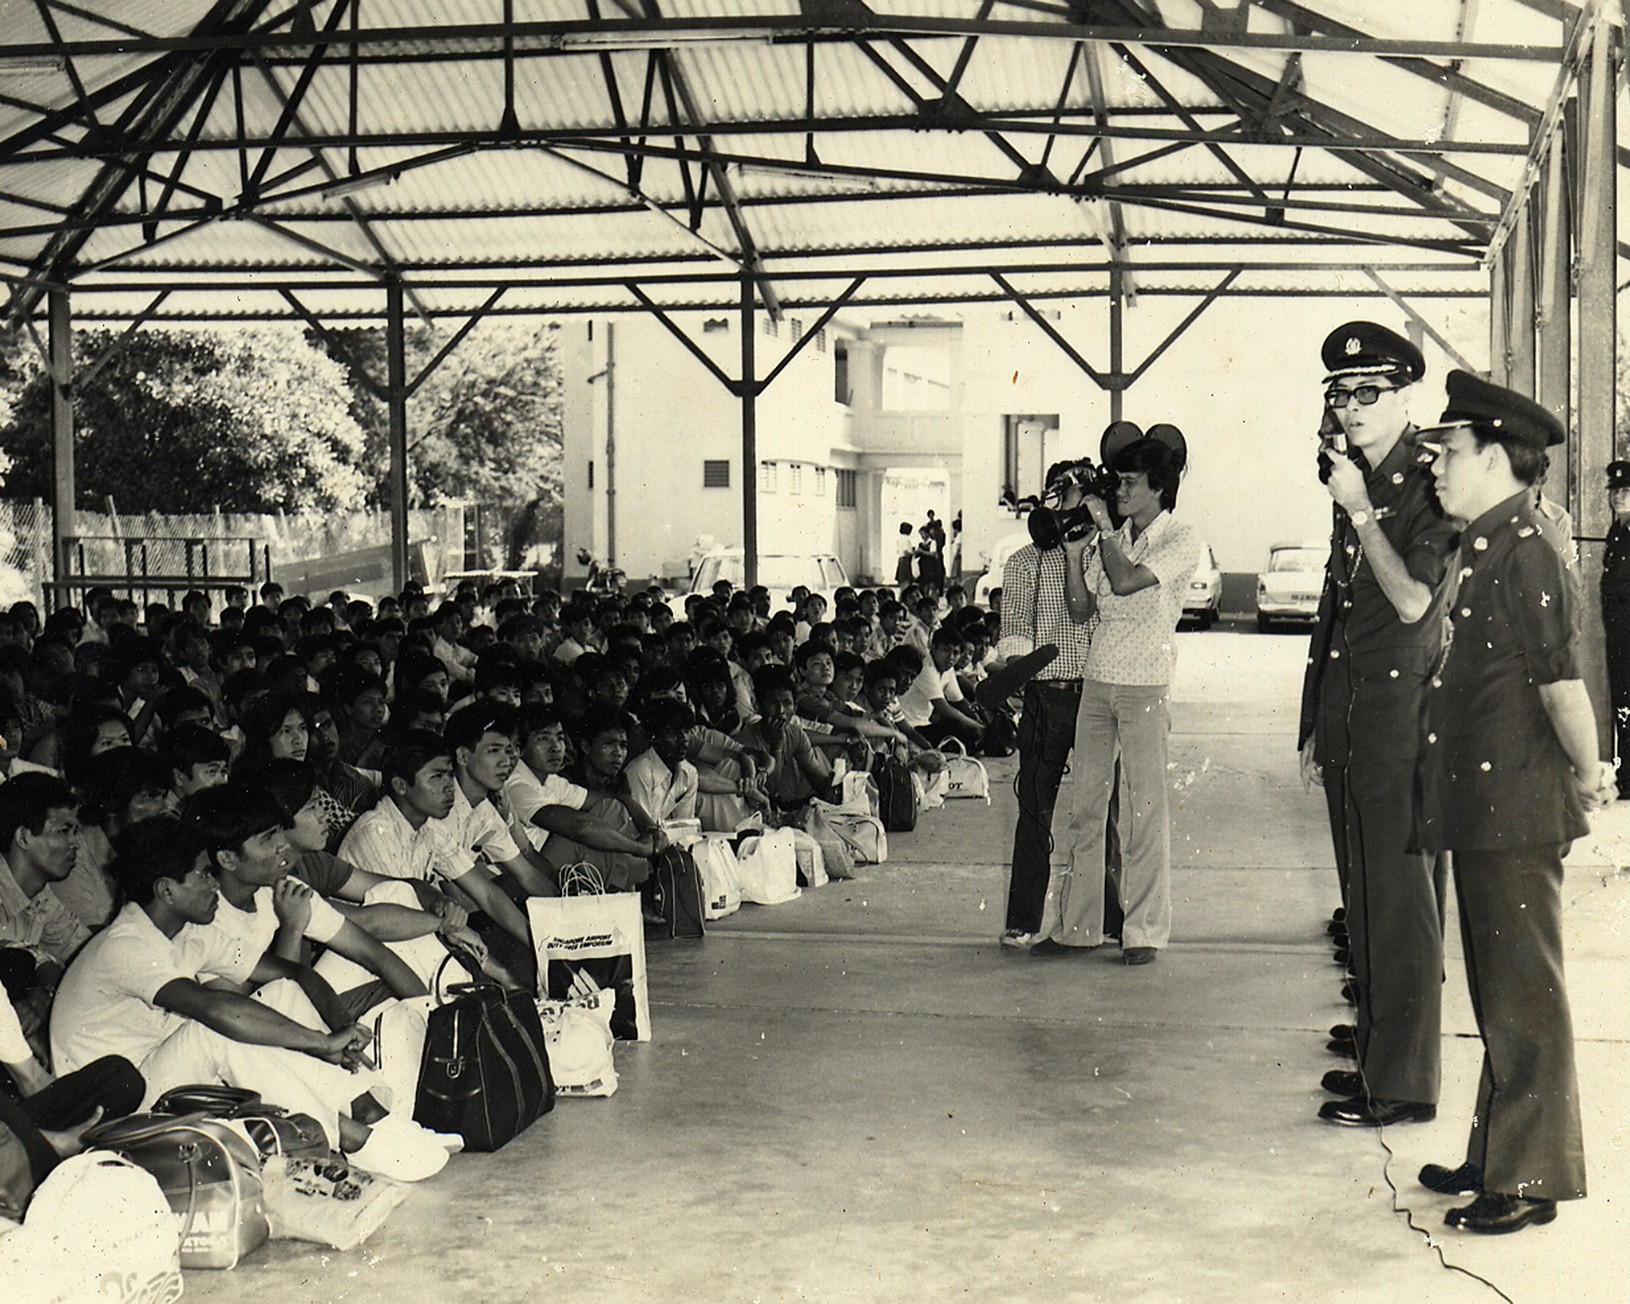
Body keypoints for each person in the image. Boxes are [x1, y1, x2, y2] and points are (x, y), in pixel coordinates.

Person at [1412, 372, 1616, 1234]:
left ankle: (1529, 1180)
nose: (1436, 470)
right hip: (1486, 800)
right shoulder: (1490, 542)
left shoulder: (1528, 547)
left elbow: (1562, 682)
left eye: (1449, 453)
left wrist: (1591, 771)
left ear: (1494, 456)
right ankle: (1499, 1148)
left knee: (1524, 991)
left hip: (1518, 805)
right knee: (1503, 989)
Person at [1294, 322, 1456, 1129]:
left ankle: (1405, 1082)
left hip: (1403, 717)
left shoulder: (1430, 485)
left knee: (1400, 905)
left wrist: (1361, 514)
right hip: (1353, 715)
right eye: (1339, 394)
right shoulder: (1355, 477)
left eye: (1367, 394)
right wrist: (1313, 717)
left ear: (1405, 399)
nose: (1350, 407)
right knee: (1363, 899)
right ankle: (1378, 1054)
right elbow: (1336, 605)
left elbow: (1413, 601)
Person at [1053, 436, 1198, 964]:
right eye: (1117, 480)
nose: (1118, 490)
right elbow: (1078, 609)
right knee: (1085, 808)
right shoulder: (1112, 537)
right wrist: (1074, 556)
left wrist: (1106, 533)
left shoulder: (1180, 538)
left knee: (1144, 809)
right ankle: (1078, 927)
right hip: (1098, 680)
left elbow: (1127, 580)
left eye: (1130, 482)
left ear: (1160, 488)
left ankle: (1143, 931)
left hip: (1145, 684)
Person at [984, 461, 1100, 949]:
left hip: (1099, 696)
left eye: (1075, 499)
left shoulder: (1107, 555)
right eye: (1058, 499)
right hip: (1047, 696)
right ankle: (1023, 920)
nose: (1065, 509)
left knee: (1102, 813)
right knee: (1035, 810)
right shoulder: (1025, 561)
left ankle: (1107, 919)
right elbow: (1013, 629)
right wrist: (1017, 666)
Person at [1604, 460, 1630, 784]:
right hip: (1618, 630)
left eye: (1625, 491)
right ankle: (1626, 773)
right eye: (1615, 491)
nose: (1618, 497)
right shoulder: (1617, 530)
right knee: (1623, 696)